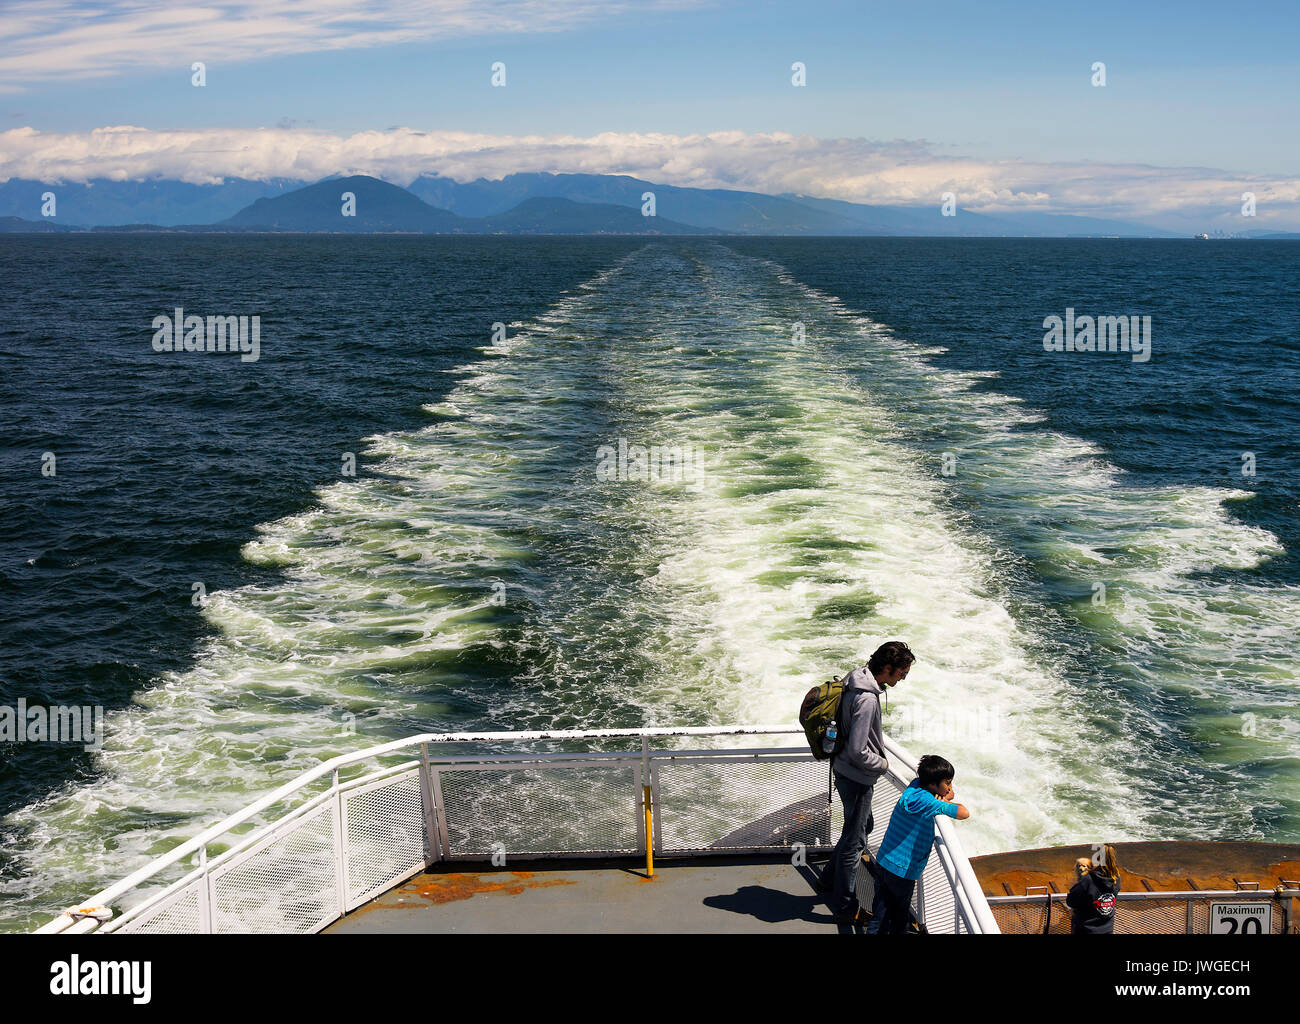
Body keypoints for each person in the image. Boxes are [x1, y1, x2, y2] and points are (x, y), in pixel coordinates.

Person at [815, 640, 914, 926]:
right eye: (901, 672)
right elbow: (859, 749)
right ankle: (846, 907)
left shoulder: (855, 678)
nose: (904, 677)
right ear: (886, 668)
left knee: (861, 827)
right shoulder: (868, 698)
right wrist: (882, 764)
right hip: (856, 777)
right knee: (854, 843)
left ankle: (826, 879)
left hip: (844, 771)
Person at [866, 753, 970, 934]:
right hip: (903, 870)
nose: (950, 787)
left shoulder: (914, 786)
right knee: (900, 918)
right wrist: (944, 800)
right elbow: (964, 813)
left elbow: (940, 792)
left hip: (884, 861)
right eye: (947, 782)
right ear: (932, 785)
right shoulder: (929, 802)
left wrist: (942, 794)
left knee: (880, 913)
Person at [1067, 844, 1121, 934]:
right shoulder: (1116, 879)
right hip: (1107, 929)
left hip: (1086, 930)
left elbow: (1071, 901)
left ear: (1098, 859)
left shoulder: (1088, 879)